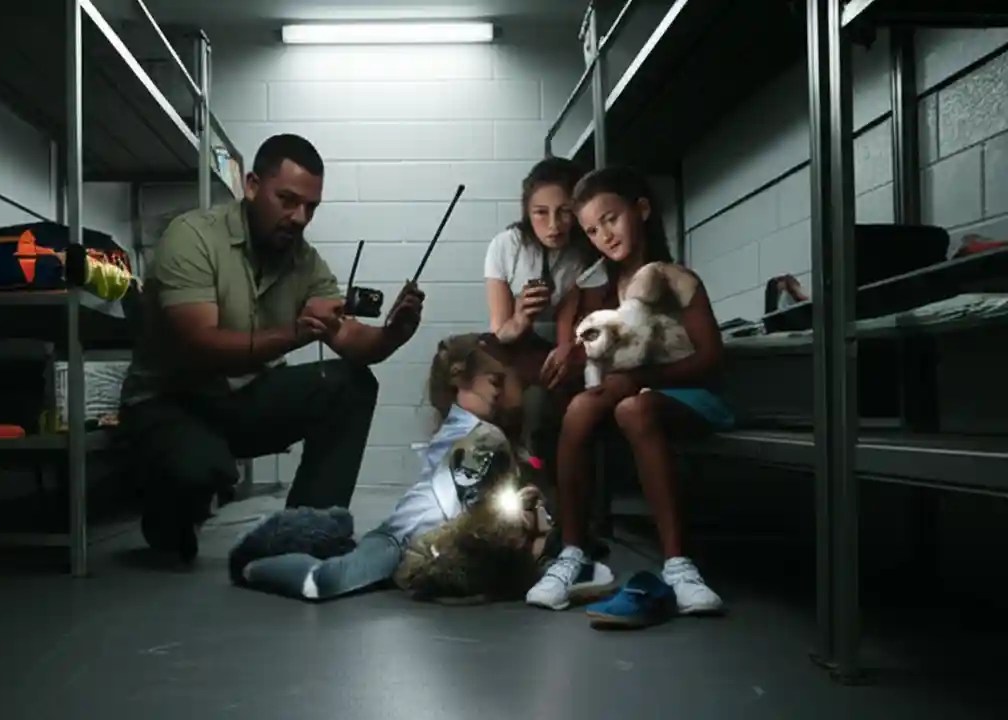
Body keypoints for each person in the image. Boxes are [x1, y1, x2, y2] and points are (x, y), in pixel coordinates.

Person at [118, 133, 426, 562]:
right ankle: (166, 515)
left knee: (350, 386)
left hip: (239, 400)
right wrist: (294, 333)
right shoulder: (191, 237)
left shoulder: (303, 260)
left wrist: (393, 333)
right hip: (169, 403)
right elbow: (200, 344)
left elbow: (350, 338)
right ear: (250, 186)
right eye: (287, 200)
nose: (299, 217)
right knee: (199, 481)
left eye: (311, 207)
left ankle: (306, 534)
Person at [237, 333, 616, 602]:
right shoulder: (468, 433)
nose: (499, 391)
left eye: (501, 382)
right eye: (492, 381)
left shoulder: (487, 435)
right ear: (458, 381)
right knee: (325, 582)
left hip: (435, 546)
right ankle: (253, 563)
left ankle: (558, 562)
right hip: (399, 540)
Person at [527, 165, 733, 623]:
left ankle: (680, 566)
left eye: (611, 219)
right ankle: (574, 553)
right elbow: (605, 354)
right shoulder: (604, 291)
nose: (604, 235)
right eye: (592, 230)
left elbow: (711, 358)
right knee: (581, 406)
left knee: (634, 408)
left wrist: (644, 380)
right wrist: (580, 359)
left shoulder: (676, 278)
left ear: (640, 209)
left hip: (691, 397)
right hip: (630, 401)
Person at [483, 157, 606, 454]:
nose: (553, 225)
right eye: (540, 213)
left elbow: (585, 318)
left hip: (571, 347)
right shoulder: (506, 246)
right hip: (519, 346)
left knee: (553, 406)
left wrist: (568, 346)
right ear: (526, 211)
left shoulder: (586, 250)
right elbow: (500, 332)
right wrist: (521, 317)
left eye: (565, 212)